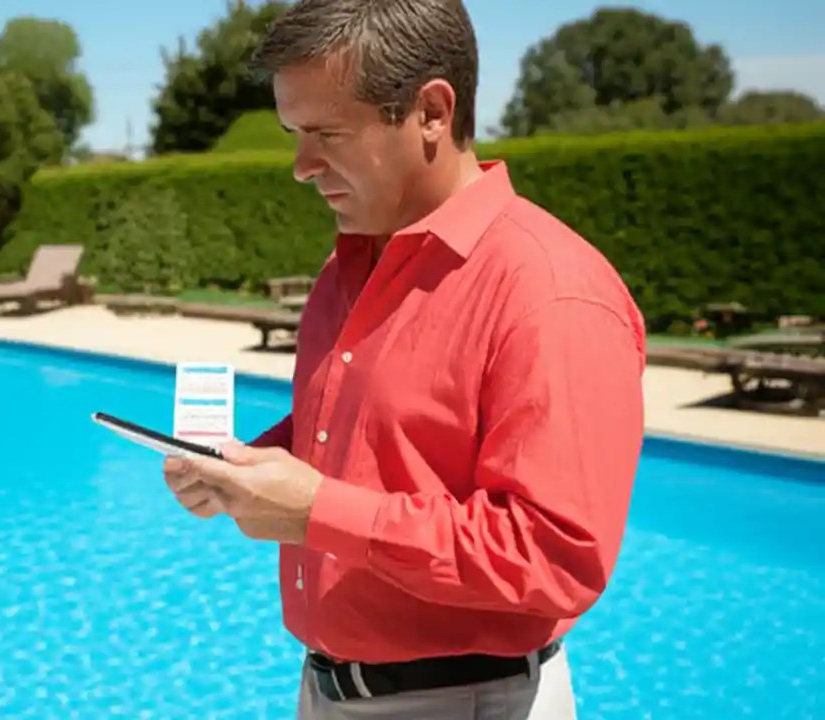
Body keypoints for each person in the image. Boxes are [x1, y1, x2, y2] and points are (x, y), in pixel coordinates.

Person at [161, 1, 647, 718]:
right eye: (295, 135)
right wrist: (246, 468)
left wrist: (318, 512)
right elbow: (370, 431)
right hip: (327, 690)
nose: (300, 167)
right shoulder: (348, 267)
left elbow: (552, 556)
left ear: (431, 111)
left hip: (468, 700)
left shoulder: (550, 291)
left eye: (326, 134)